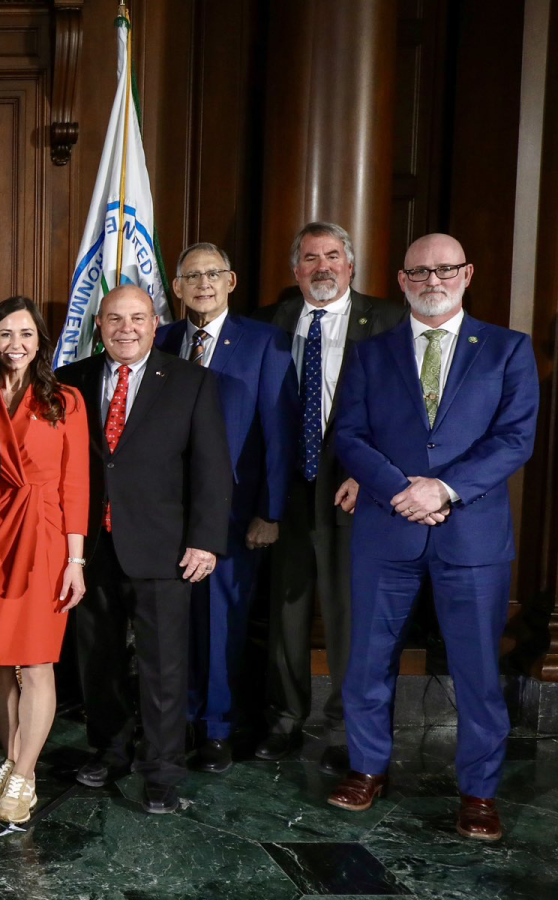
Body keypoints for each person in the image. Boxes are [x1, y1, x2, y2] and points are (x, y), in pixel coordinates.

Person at [327, 233, 537, 842]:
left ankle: (478, 793)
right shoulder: (371, 353)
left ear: (467, 274)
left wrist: (441, 490)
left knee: (475, 670)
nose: (432, 280)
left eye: (444, 269)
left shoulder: (506, 349)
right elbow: (351, 435)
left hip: (471, 538)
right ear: (401, 280)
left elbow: (514, 439)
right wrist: (402, 489)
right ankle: (367, 769)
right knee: (367, 661)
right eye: (418, 272)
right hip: (386, 528)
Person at [55, 285, 230, 815]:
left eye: (136, 318)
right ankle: (108, 751)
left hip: (164, 547)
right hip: (90, 548)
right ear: (98, 324)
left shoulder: (190, 380)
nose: (125, 328)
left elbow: (212, 469)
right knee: (98, 659)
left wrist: (205, 539)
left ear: (156, 324)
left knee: (163, 667)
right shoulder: (72, 380)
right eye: (113, 318)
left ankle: (162, 771)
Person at [251, 222, 405, 772]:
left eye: (333, 256)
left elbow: (405, 409)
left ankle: (347, 726)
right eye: (311, 258)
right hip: (288, 490)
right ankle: (286, 718)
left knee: (349, 614)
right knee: (286, 611)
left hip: (355, 492)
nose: (323, 266)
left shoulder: (388, 320)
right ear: (296, 270)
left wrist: (372, 474)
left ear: (351, 265)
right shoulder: (272, 320)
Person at [154, 244, 298, 773]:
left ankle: (217, 728)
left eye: (213, 273)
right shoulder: (163, 339)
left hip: (237, 515)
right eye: (192, 275)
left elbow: (279, 435)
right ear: (176, 287)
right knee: (173, 622)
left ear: (231, 281)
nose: (204, 283)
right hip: (167, 513)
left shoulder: (267, 343)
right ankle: (178, 720)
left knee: (222, 622)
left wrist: (271, 512)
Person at [0, 296, 89, 824]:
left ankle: (25, 773)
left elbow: (76, 484)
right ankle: (14, 761)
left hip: (44, 538)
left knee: (35, 662)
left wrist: (75, 560)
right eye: (6, 333)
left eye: (26, 334)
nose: (16, 344)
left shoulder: (67, 400)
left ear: (41, 342)